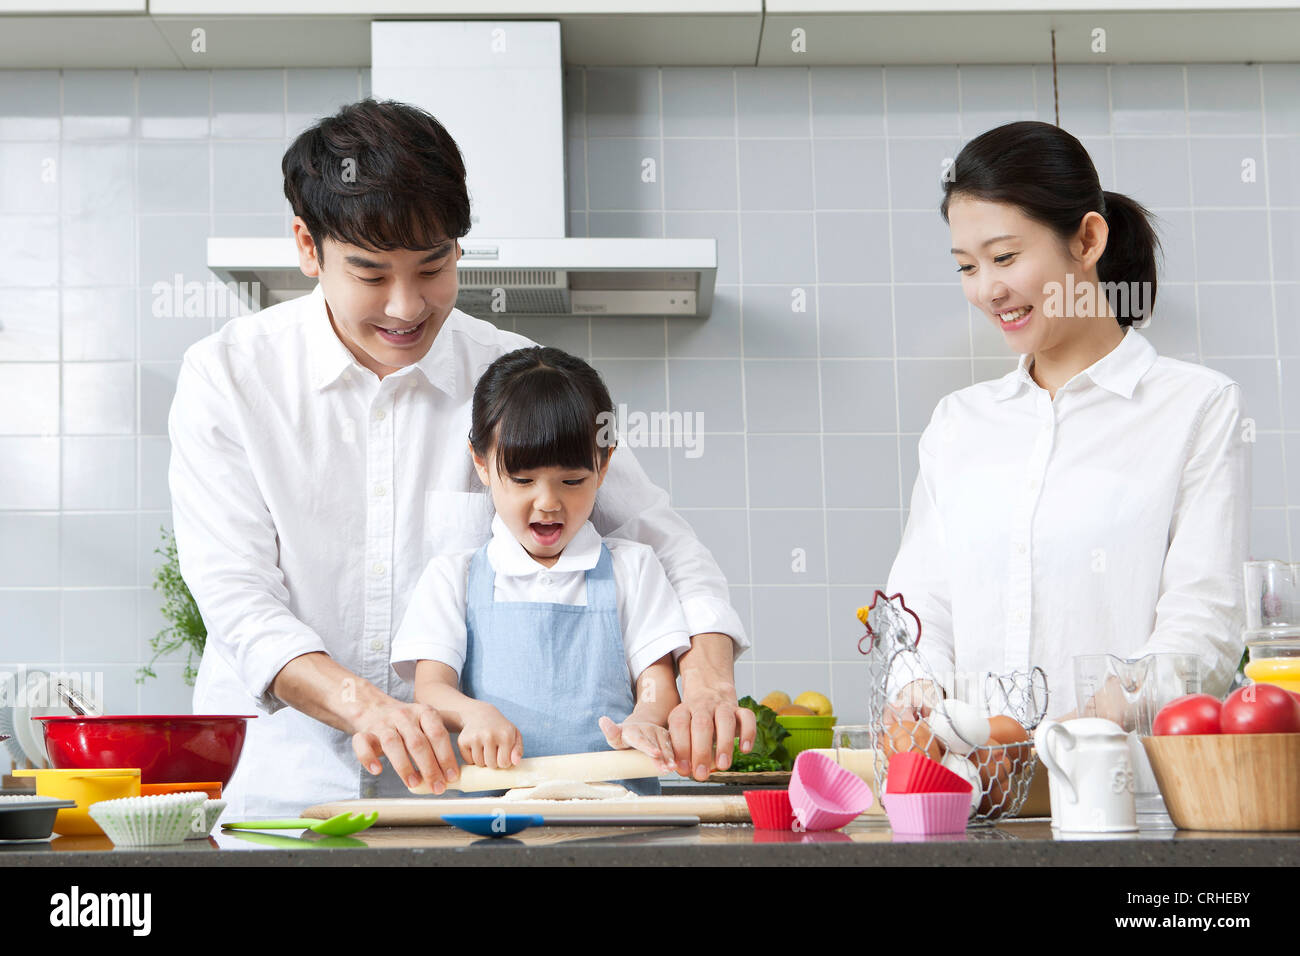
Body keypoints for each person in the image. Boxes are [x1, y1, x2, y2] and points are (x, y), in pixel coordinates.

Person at [168, 98, 753, 819]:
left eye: (433, 266)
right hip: (283, 793)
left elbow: (664, 545)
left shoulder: (515, 378)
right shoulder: (229, 376)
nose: (407, 307)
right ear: (307, 247)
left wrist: (706, 681)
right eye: (371, 274)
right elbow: (237, 596)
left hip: (479, 806)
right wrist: (368, 707)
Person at [884, 120, 1250, 718]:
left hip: (1121, 772)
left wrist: (1082, 733)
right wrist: (922, 702)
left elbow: (1204, 623)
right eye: (967, 267)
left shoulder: (1195, 406)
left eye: (1004, 257)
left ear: (1087, 240)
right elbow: (920, 608)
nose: (988, 290)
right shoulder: (958, 423)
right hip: (975, 775)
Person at [390, 347, 688, 796]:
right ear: (481, 463)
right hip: (497, 816)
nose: (548, 503)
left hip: (617, 810)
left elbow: (656, 682)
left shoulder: (634, 568)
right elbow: (431, 688)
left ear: (604, 465)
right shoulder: (454, 577)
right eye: (524, 480)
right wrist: (473, 713)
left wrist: (646, 718)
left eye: (572, 481)